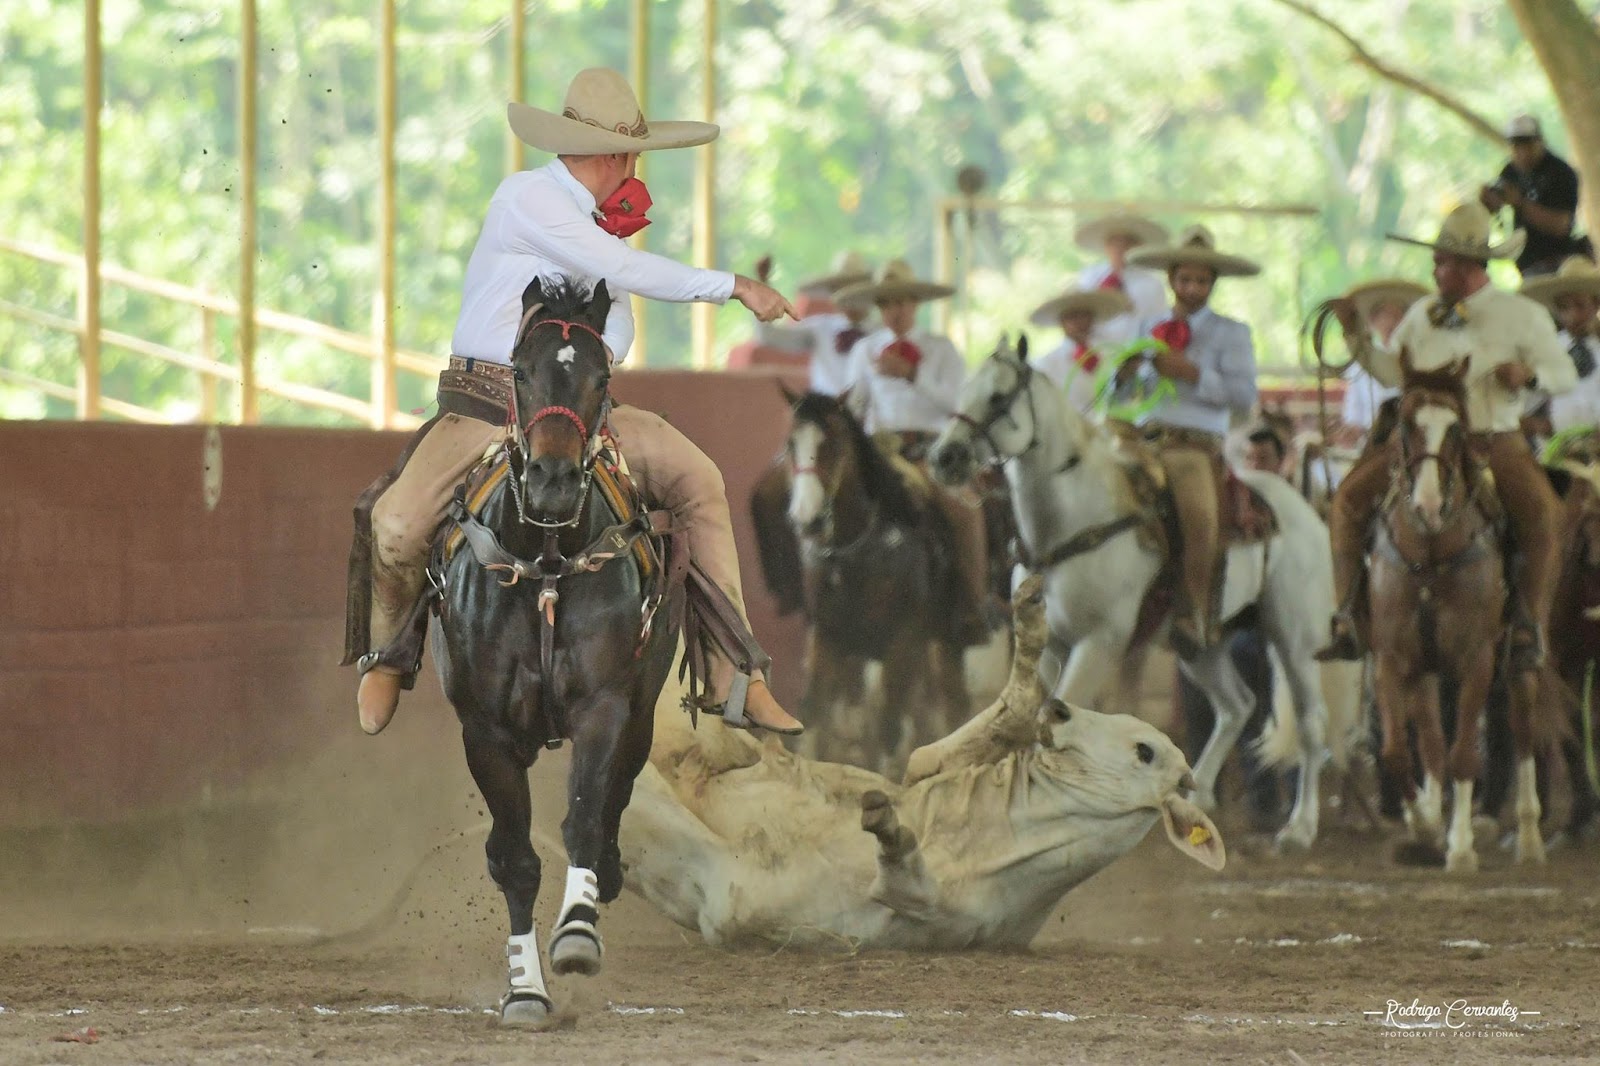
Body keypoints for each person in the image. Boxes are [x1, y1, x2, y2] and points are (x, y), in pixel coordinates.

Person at [350, 68, 805, 736]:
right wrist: (731, 285)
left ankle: (735, 674)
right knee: (396, 523)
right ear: (619, 156)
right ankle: (388, 654)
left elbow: (617, 315)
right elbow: (621, 273)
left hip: (576, 410)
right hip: (485, 404)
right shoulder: (528, 197)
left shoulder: (596, 231)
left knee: (697, 479)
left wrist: (590, 368)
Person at [1318, 202, 1577, 668]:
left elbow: (1564, 373)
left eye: (1446, 261)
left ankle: (1527, 626)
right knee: (1346, 501)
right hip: (1419, 443)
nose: (1437, 269)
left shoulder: (1520, 315)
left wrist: (1528, 375)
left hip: (1494, 439)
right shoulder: (1420, 314)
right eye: (1437, 260)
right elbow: (1393, 373)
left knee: (1544, 514)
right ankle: (1349, 618)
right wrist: (1356, 339)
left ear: (1472, 266)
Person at [834, 259, 995, 642]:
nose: (895, 311)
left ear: (916, 304)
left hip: (930, 450)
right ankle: (830, 602)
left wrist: (912, 376)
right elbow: (856, 407)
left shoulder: (941, 350)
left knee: (964, 509)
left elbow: (957, 405)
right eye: (887, 303)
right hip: (881, 452)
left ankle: (974, 604)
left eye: (903, 302)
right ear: (879, 308)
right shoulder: (864, 351)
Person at [1125, 224, 1262, 659]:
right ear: (1171, 279)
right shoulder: (1146, 326)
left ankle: (1191, 609)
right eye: (1185, 279)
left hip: (1194, 444)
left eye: (1201, 281)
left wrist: (1194, 375)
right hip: (1141, 437)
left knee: (1199, 512)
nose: (1192, 288)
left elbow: (1244, 397)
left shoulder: (1231, 333)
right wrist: (1124, 376)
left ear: (1212, 284)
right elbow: (1120, 396)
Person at [751, 252, 875, 396]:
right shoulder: (820, 328)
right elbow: (769, 336)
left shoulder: (883, 333)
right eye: (840, 290)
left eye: (855, 290)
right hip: (825, 413)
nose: (848, 298)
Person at [1480, 113, 1584, 279]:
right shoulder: (1510, 172)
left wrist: (1520, 203)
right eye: (1516, 147)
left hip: (1557, 262)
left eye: (1527, 146)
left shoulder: (1561, 173)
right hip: (1527, 264)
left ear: (1540, 142)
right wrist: (1488, 204)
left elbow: (1561, 225)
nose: (1522, 153)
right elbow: (1496, 207)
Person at [1336, 279, 1427, 447]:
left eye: (1396, 315)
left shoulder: (1422, 360)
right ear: (1372, 322)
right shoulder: (1359, 367)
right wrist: (1352, 432)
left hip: (1412, 442)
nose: (1390, 321)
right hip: (1372, 445)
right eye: (1383, 315)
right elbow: (1354, 417)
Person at [1522, 255, 1600, 434]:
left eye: (1580, 306)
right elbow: (1528, 399)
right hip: (1554, 449)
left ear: (1596, 305)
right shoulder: (1550, 347)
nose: (1572, 316)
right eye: (1564, 307)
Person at [1027, 285, 1133, 413]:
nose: (1079, 322)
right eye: (1072, 317)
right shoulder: (1046, 364)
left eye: (1084, 315)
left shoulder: (1114, 349)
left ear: (1092, 317)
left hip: (1122, 420)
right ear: (1062, 321)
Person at [1074, 212, 1170, 348]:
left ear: (1138, 246)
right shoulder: (1090, 276)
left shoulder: (1151, 283)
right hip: (1096, 352)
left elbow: (1157, 323)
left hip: (1136, 352)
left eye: (1127, 243)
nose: (1120, 248)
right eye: (1114, 243)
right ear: (1105, 246)